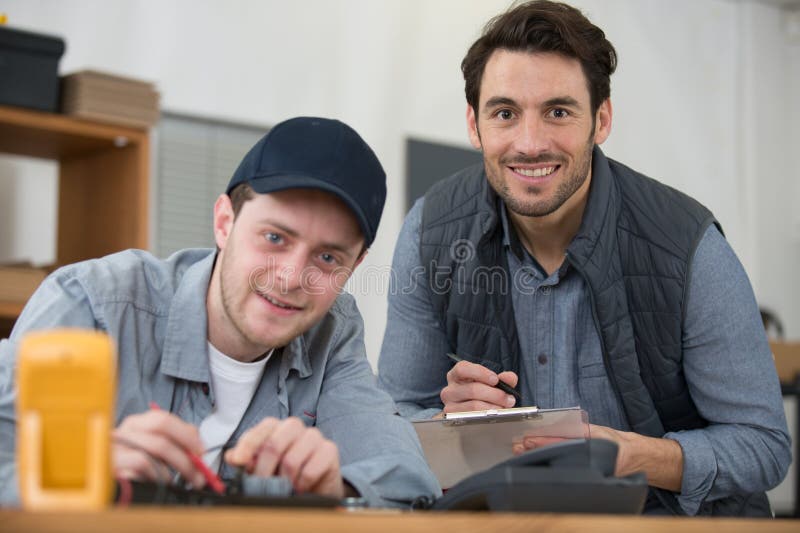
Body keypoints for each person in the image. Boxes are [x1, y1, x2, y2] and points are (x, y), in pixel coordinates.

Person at [378, 0, 790, 517]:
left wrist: (637, 457)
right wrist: (446, 427)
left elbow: (764, 445)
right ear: (474, 125)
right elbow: (389, 422)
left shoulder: (689, 246)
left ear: (601, 120)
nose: (530, 143)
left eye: (558, 112)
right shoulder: (430, 231)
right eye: (505, 113)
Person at [0, 116, 440, 507]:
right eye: (275, 238)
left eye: (327, 258)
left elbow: (407, 481)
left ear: (353, 267)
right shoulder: (94, 303)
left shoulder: (333, 330)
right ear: (224, 223)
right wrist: (77, 476)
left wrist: (336, 489)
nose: (291, 277)